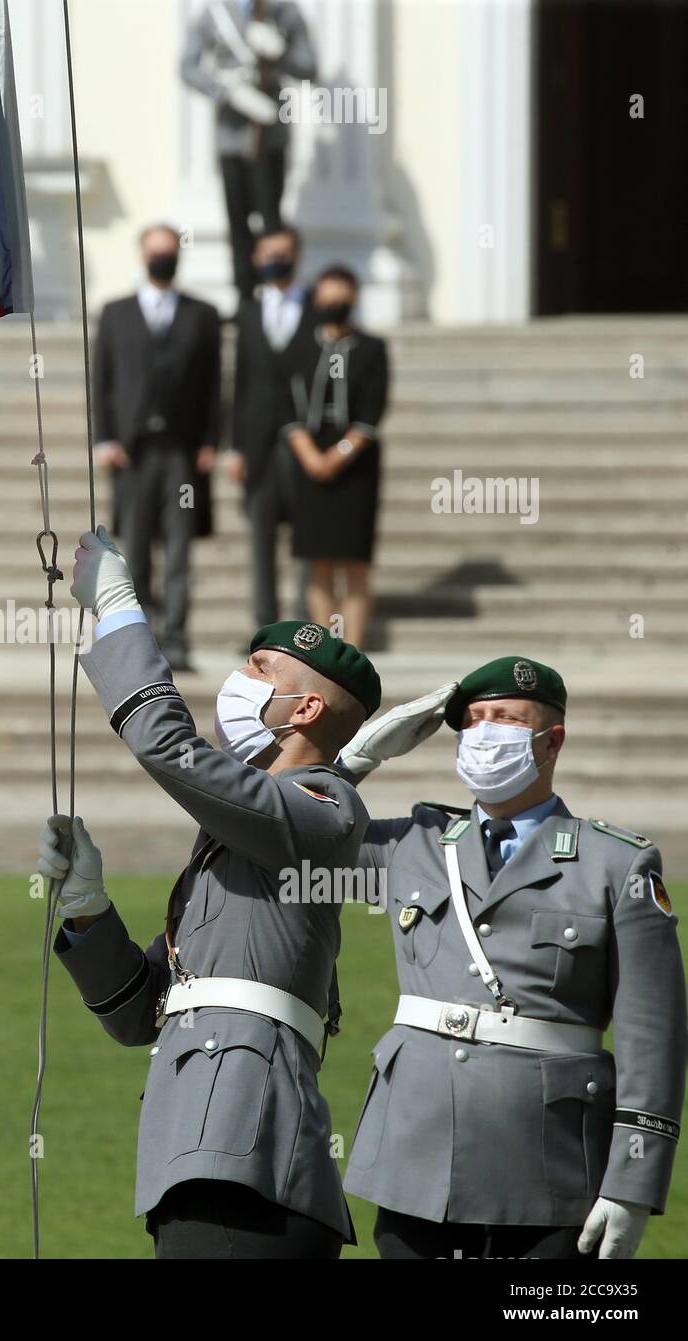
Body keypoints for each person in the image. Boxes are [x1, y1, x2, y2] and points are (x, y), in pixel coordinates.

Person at [37, 526, 381, 1258]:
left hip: (248, 1164)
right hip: (197, 1158)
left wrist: (123, 609)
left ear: (307, 710)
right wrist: (87, 911)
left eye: (261, 668)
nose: (241, 680)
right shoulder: (244, 835)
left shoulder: (325, 807)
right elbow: (140, 1015)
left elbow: (168, 747)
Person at [333, 657, 686, 1259]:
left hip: (548, 1172)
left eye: (504, 719)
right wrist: (351, 764)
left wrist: (633, 1184)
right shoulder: (410, 843)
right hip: (417, 1163)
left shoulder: (617, 863)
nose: (484, 733)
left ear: (552, 741)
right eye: (472, 721)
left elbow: (653, 1036)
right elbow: (282, 832)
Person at [94, 224, 220, 672]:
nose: (162, 258)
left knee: (180, 548)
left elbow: (213, 385)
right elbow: (103, 381)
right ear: (142, 254)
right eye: (156, 251)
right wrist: (104, 438)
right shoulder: (115, 313)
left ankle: (178, 636)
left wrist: (210, 441)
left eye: (169, 251)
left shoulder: (202, 315)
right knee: (136, 546)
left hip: (182, 453)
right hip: (133, 452)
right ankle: (142, 639)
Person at [279, 264, 389, 648]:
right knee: (318, 559)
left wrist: (339, 455)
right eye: (327, 297)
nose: (333, 304)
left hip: (355, 463)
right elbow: (287, 406)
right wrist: (310, 456)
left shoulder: (373, 349)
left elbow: (372, 410)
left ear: (354, 298)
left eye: (341, 297)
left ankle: (354, 648)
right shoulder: (300, 347)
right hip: (309, 459)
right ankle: (326, 648)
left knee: (353, 561)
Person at [180, 1, 316, 300]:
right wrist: (225, 92)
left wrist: (280, 53)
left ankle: (276, 295)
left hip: (270, 135)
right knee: (237, 222)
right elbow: (187, 67)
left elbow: (309, 68)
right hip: (231, 135)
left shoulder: (283, 10)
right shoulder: (215, 12)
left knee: (271, 221)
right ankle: (245, 300)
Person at [229, 224, 314, 630]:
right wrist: (235, 447)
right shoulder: (247, 310)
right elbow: (240, 382)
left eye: (283, 252)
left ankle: (304, 628)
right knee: (260, 542)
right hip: (259, 445)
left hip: (307, 443)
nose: (275, 260)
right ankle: (264, 628)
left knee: (306, 543)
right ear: (255, 259)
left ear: (297, 255)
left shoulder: (317, 307)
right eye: (267, 253)